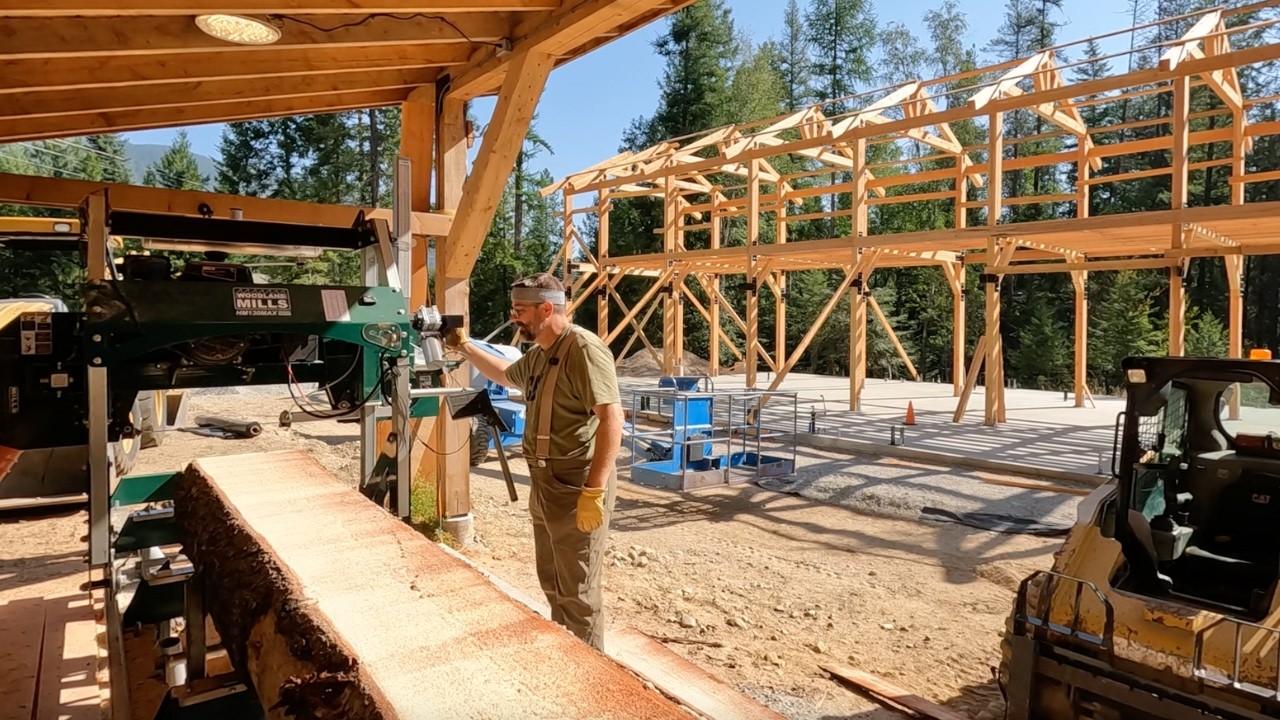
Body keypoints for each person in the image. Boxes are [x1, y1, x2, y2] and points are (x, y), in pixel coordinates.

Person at [445, 273, 623, 650]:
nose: (514, 318)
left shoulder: (583, 349)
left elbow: (612, 419)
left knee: (578, 593)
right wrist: (465, 347)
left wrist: (594, 489)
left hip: (576, 486)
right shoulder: (541, 353)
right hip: (546, 484)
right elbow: (505, 375)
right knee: (553, 583)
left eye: (520, 310)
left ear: (546, 309)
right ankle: (566, 653)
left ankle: (588, 672)